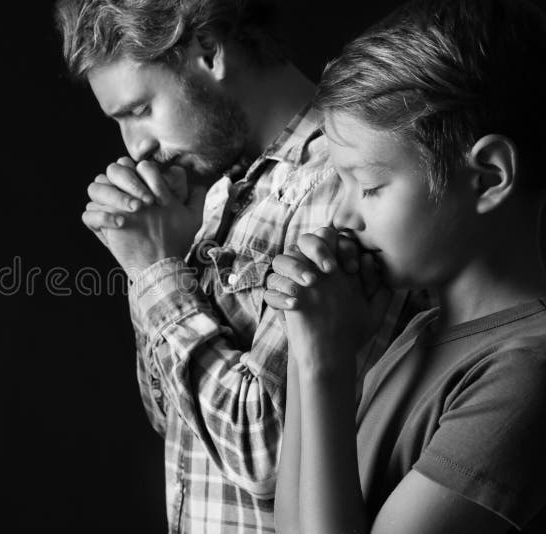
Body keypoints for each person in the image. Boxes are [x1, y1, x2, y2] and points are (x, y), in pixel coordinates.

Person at [54, 1, 412, 531]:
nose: (136, 147)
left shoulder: (343, 183)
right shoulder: (225, 189)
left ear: (209, 52)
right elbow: (173, 421)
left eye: (139, 110)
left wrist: (153, 271)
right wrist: (162, 262)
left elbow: (265, 453)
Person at [265, 0, 546, 531]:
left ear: (487, 177)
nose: (343, 217)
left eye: (368, 185)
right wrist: (313, 356)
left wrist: (325, 368)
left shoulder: (524, 374)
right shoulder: (417, 336)